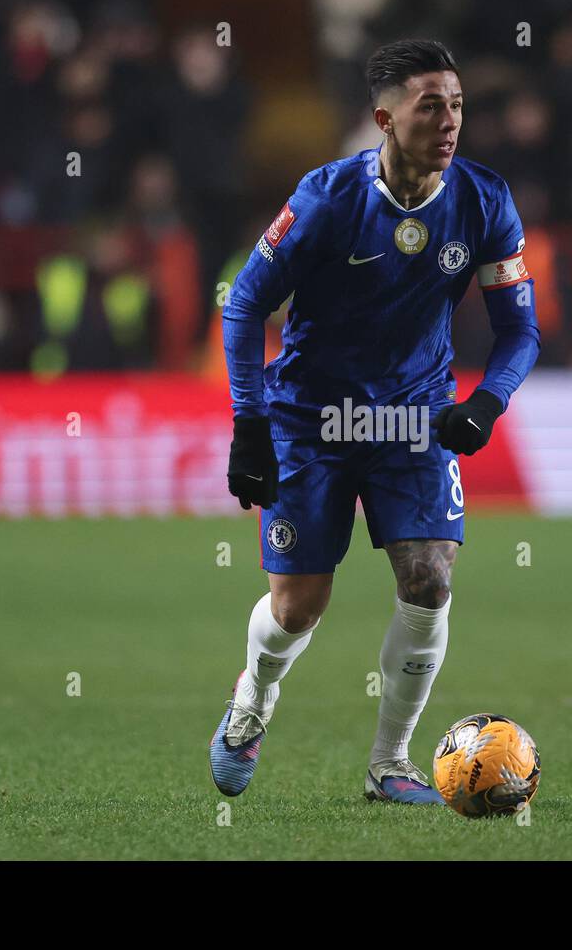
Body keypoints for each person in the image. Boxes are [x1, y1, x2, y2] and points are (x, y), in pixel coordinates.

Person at [211, 40, 540, 804]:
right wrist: (250, 426)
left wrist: (486, 403)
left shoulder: (485, 200)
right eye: (432, 104)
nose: (451, 120)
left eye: (458, 103)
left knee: (429, 581)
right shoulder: (327, 199)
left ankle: (390, 764)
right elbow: (243, 304)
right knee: (298, 608)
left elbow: (519, 330)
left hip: (414, 420)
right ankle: (252, 701)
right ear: (384, 116)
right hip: (310, 419)